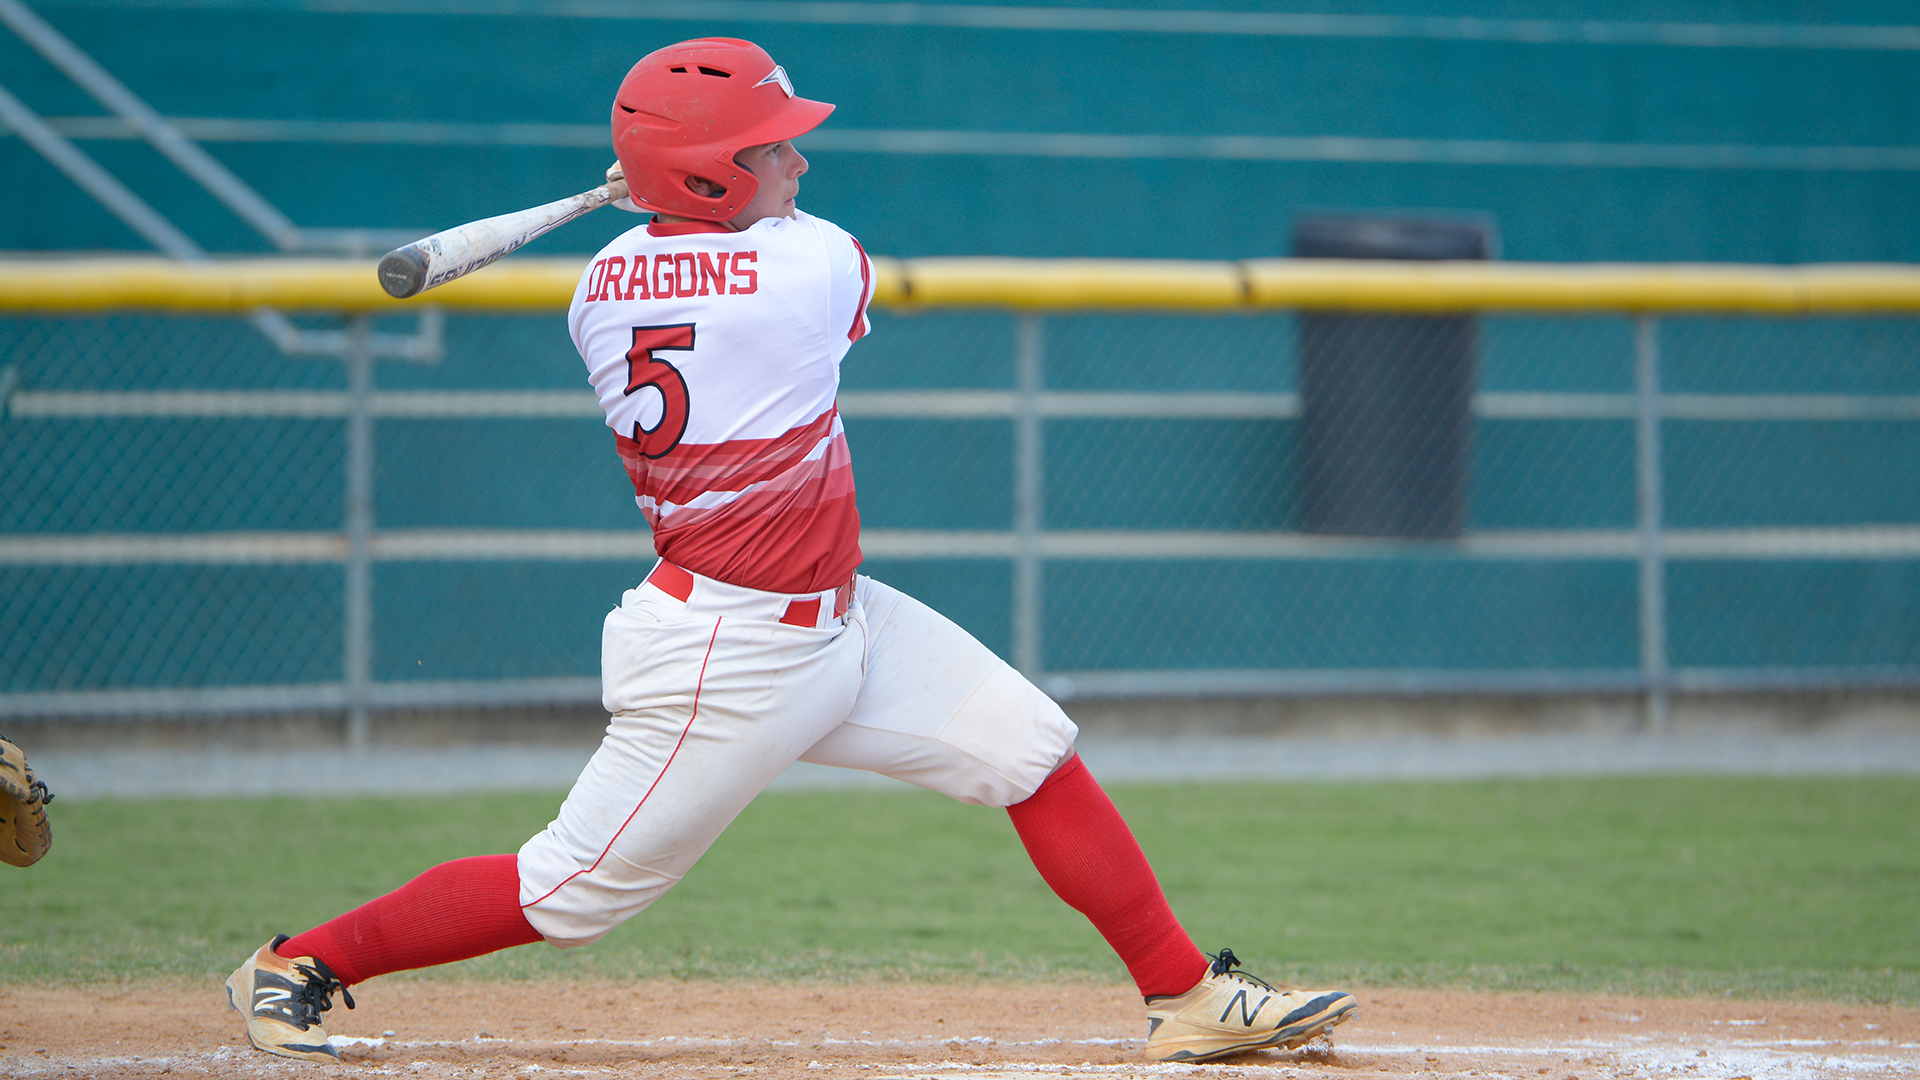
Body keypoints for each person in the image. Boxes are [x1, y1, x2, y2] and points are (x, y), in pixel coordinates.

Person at [225, 36, 1356, 1066]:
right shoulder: (807, 267)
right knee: (568, 891)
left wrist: (677, 198)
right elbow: (798, 270)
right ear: (712, 177)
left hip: (835, 617)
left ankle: (1185, 992)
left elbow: (680, 261)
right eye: (775, 149)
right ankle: (299, 960)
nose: (800, 166)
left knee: (1030, 750)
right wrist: (699, 198)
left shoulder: (599, 287)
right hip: (730, 653)